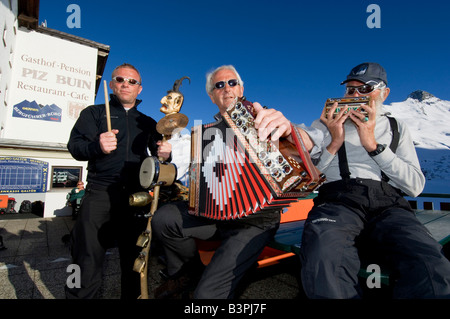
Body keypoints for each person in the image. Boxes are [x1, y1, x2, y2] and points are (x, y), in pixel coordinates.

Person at [152, 65, 313, 299]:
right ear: (211, 96)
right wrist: (174, 159)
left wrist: (289, 132)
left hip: (255, 220)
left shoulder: (265, 119)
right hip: (216, 216)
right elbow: (192, 179)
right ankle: (188, 272)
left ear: (241, 88)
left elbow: (304, 151)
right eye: (219, 85)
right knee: (165, 218)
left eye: (232, 83)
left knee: (208, 295)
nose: (227, 88)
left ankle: (206, 284)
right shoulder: (205, 135)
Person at [299, 62, 450, 298]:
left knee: (431, 262)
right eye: (350, 90)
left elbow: (415, 186)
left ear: (384, 93)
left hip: (389, 205)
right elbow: (308, 175)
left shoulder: (396, 126)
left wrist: (374, 146)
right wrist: (332, 144)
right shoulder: (327, 122)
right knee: (323, 256)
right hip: (338, 201)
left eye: (365, 89)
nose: (356, 95)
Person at [66, 63, 172, 299]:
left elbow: (158, 157)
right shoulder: (93, 113)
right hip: (100, 193)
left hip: (136, 196)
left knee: (135, 259)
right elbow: (74, 147)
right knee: (86, 256)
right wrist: (97, 145)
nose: (126, 84)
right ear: (112, 85)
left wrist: (166, 153)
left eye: (132, 81)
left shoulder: (147, 122)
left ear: (140, 89)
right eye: (120, 79)